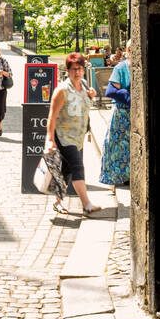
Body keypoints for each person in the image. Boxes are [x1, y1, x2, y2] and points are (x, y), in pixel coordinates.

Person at [44, 52, 102, 215]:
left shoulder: (84, 85)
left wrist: (91, 95)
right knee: (78, 167)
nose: (77, 72)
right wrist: (50, 139)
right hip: (64, 136)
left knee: (67, 171)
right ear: (68, 70)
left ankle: (56, 201)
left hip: (78, 137)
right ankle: (86, 204)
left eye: (80, 68)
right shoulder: (62, 90)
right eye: (74, 69)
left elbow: (83, 105)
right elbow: (52, 116)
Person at [99, 40, 131, 186]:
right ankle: (120, 176)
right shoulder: (121, 68)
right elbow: (111, 91)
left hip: (135, 115)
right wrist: (128, 96)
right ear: (128, 51)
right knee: (118, 148)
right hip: (122, 114)